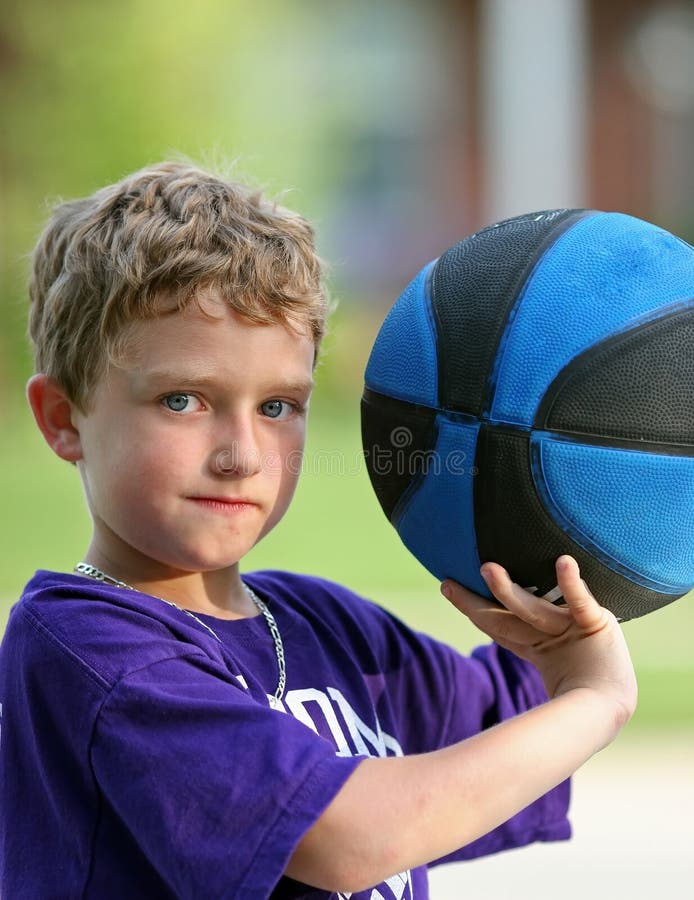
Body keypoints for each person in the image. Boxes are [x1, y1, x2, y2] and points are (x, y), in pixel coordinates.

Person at [0, 161, 637, 899]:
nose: (241, 455)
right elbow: (347, 839)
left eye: (277, 406)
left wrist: (571, 644)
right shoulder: (90, 649)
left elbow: (519, 734)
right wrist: (596, 701)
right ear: (61, 418)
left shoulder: (328, 628)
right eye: (183, 400)